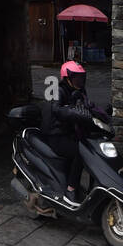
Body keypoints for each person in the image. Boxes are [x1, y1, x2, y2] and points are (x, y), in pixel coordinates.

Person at [42, 60, 95, 206]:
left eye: (81, 77)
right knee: (81, 152)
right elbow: (58, 109)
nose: (80, 81)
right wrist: (72, 112)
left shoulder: (79, 91)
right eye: (76, 78)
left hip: (70, 134)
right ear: (67, 78)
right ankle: (71, 190)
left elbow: (87, 107)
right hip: (56, 136)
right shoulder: (57, 90)